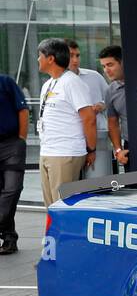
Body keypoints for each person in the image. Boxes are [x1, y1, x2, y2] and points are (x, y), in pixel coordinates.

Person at [35, 38, 95, 205]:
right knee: (51, 205)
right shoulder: (48, 84)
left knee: (62, 205)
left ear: (50, 58)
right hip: (47, 150)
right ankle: (53, 232)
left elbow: (89, 118)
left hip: (65, 152)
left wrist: (91, 149)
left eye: (40, 55)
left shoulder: (72, 82)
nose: (38, 59)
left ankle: (64, 232)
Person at [67, 39, 111, 179]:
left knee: (98, 183)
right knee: (71, 184)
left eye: (77, 55)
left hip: (97, 136)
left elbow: (111, 99)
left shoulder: (94, 76)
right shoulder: (55, 83)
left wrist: (101, 105)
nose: (75, 60)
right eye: (71, 55)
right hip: (72, 140)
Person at [0, 69, 28, 254]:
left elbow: (23, 109)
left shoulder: (6, 82)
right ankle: (9, 238)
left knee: (12, 188)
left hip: (11, 144)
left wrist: (21, 139)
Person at [98, 45, 128, 172]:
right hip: (129, 146)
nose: (106, 70)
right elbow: (112, 122)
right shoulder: (110, 90)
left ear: (122, 62)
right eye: (103, 66)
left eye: (110, 65)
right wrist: (118, 150)